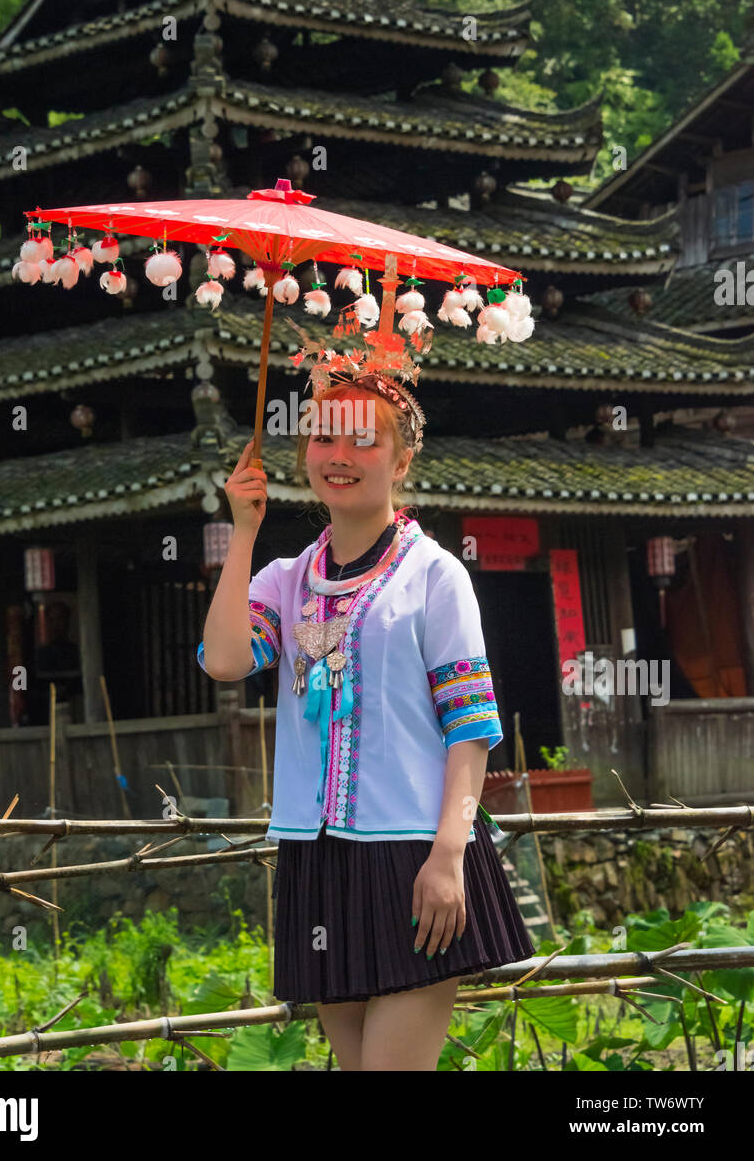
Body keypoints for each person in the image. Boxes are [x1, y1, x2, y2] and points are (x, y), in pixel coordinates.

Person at [197, 374, 534, 1071]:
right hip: (317, 857)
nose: (338, 455)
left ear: (402, 458)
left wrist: (448, 856)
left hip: (414, 853)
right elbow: (226, 661)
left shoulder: (435, 575)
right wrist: (244, 532)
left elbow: (469, 729)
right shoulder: (285, 580)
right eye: (323, 436)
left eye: (362, 438)